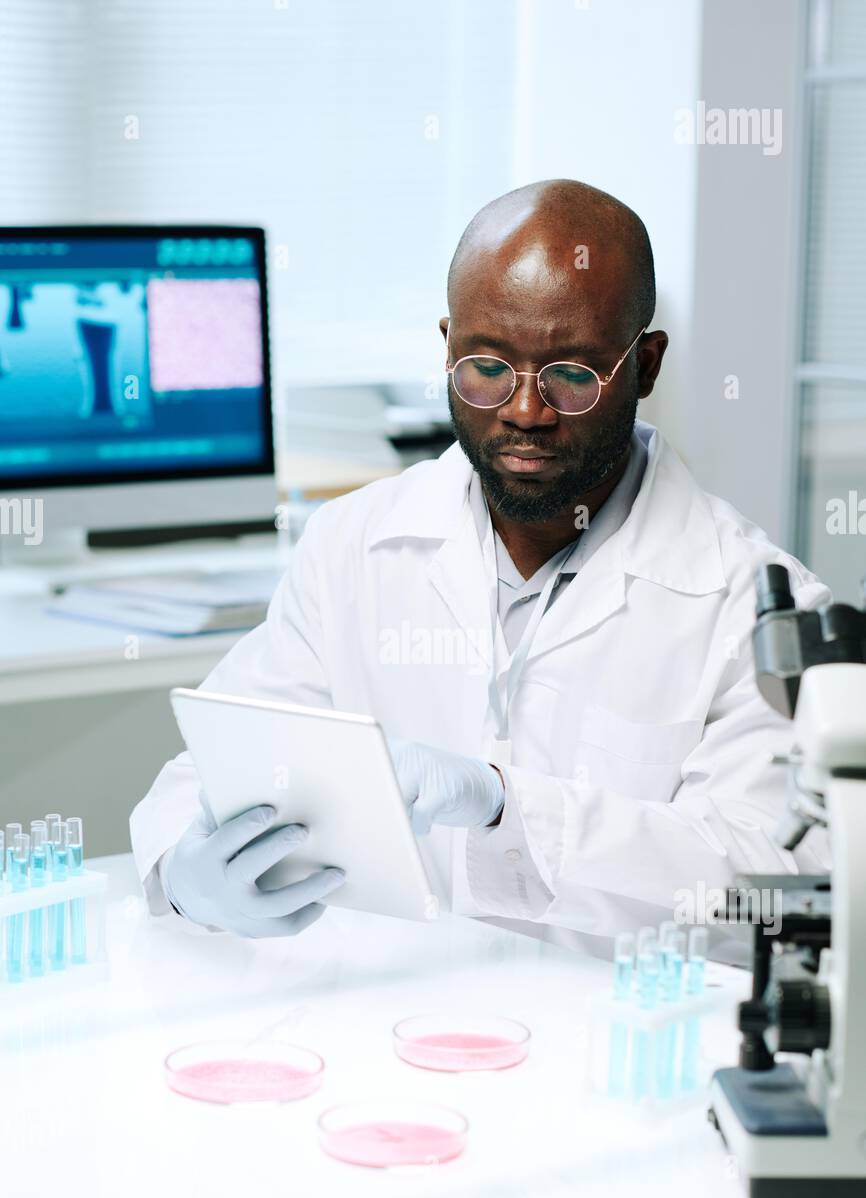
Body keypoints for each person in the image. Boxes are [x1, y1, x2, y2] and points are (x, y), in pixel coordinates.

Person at [131, 179, 830, 949]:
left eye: (572, 375)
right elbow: (213, 769)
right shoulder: (355, 545)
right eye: (487, 366)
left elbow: (769, 882)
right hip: (388, 1024)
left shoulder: (755, 606)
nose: (525, 411)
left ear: (647, 365)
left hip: (620, 1040)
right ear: (448, 347)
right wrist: (186, 878)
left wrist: (507, 808)